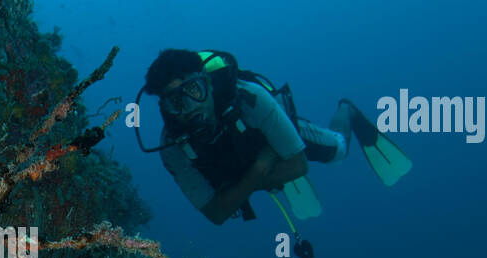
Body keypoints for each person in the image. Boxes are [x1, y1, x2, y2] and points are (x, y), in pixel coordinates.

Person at [138, 49, 411, 226]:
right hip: (254, 162)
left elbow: (298, 165)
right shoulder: (173, 147)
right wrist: (259, 169)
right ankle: (268, 175)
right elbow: (216, 214)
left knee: (338, 150)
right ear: (164, 107)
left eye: (194, 91)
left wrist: (240, 188)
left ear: (207, 84)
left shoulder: (250, 99)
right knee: (263, 171)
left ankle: (347, 111)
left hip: (279, 140)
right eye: (175, 101)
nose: (191, 107)